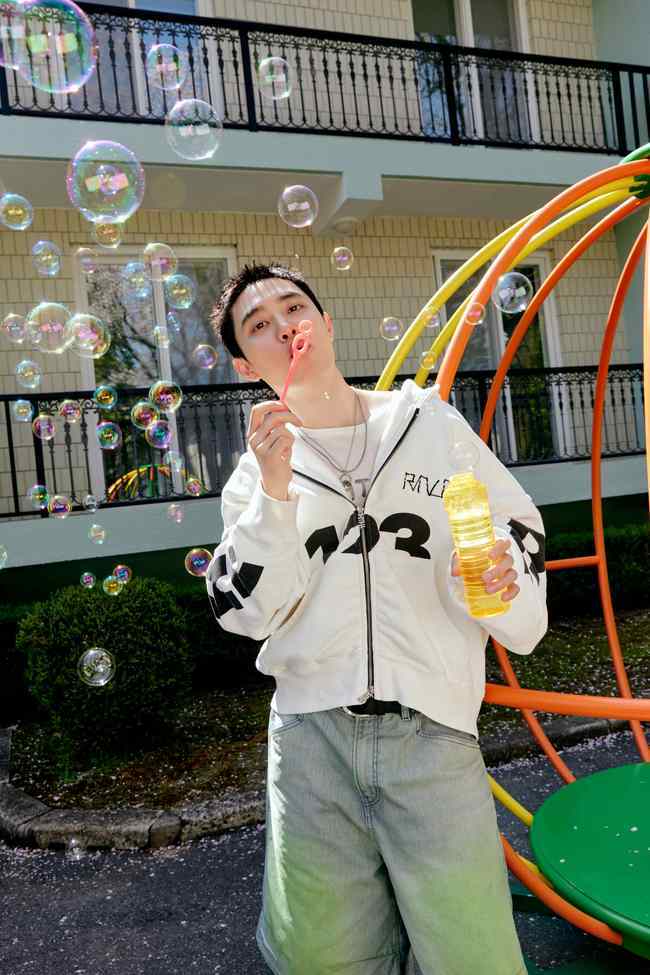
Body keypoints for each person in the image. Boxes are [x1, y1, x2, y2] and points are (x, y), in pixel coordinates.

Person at [206, 263, 548, 975]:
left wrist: (500, 577)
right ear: (245, 365)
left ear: (326, 325)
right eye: (259, 325)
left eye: (294, 308)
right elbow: (244, 611)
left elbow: (515, 531)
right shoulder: (256, 476)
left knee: (472, 955)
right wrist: (274, 493)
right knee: (324, 957)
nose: (284, 327)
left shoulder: (429, 425)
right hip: (311, 743)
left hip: (435, 735)